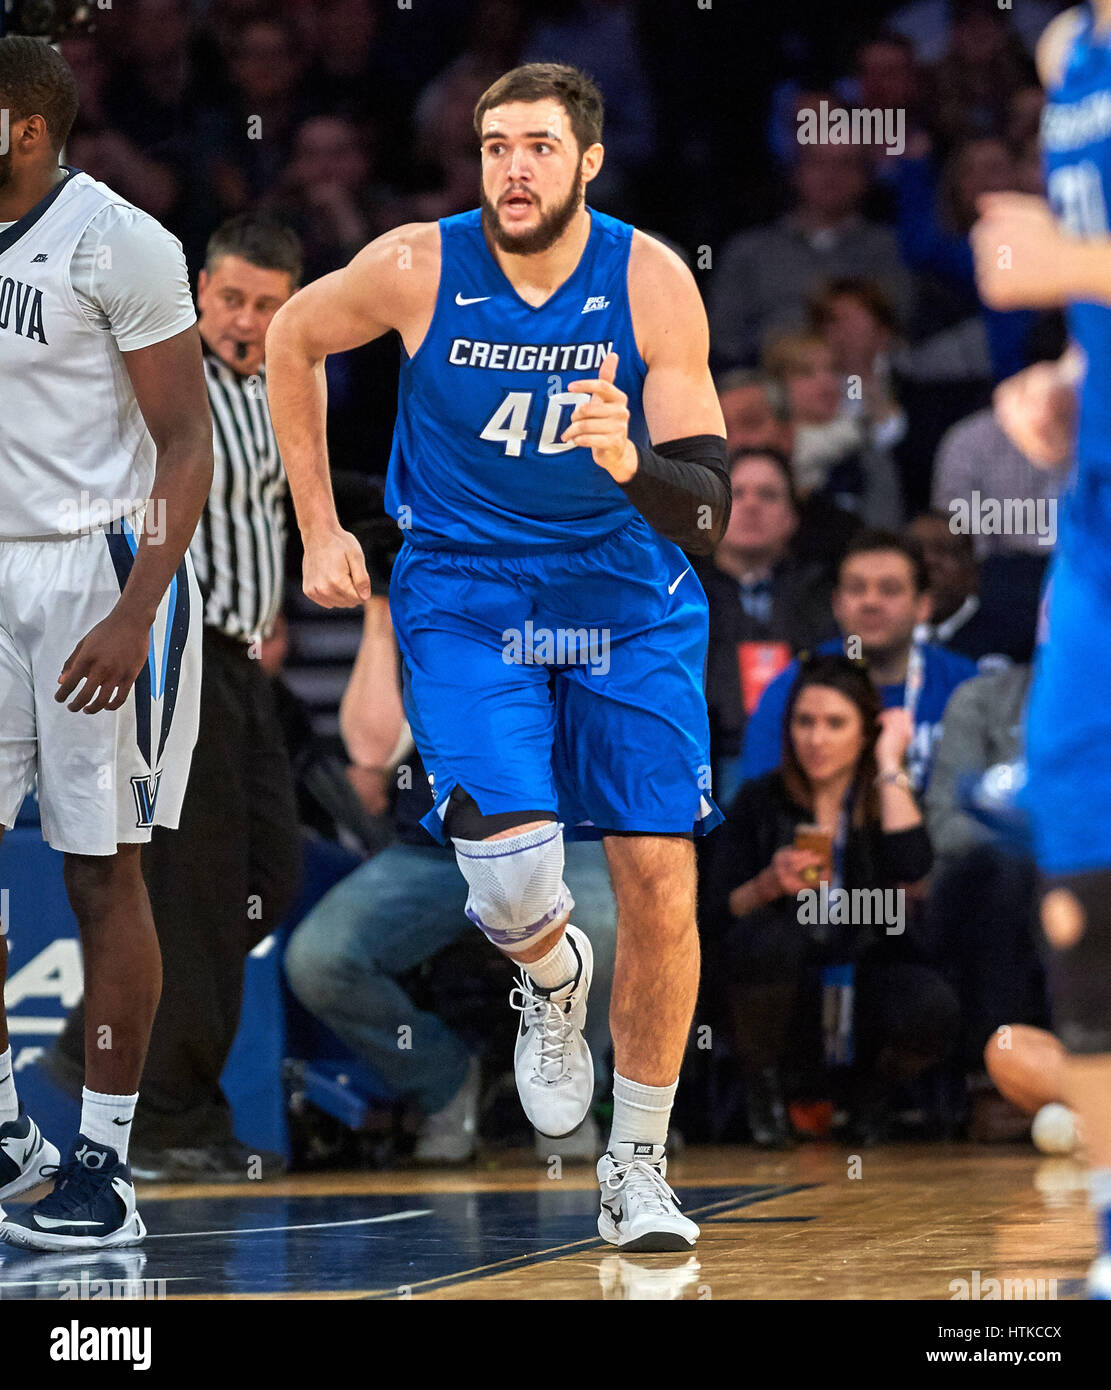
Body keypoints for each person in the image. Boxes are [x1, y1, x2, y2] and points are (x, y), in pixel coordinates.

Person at [266, 63, 730, 1252]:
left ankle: (634, 1164)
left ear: (588, 162)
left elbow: (712, 512)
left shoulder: (651, 280)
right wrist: (319, 523)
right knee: (516, 881)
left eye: (537, 145)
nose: (512, 167)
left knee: (658, 878)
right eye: (493, 145)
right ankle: (550, 978)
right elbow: (289, 335)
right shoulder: (419, 263)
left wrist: (637, 466)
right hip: (470, 596)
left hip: (629, 596)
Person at [0, 38, 212, 1249]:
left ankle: (106, 1165)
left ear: (26, 128)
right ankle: (8, 1133)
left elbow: (187, 443)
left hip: (92, 571)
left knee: (99, 869)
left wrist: (137, 605)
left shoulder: (118, 237)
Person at [50, 216, 304, 1182]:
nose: (245, 320)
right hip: (171, 645)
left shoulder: (279, 389)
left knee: (267, 880)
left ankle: (95, 1038)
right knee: (195, 893)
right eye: (233, 298)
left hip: (246, 666)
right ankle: (165, 1119)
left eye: (268, 306)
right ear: (199, 289)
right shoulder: (156, 373)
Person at [284, 595, 618, 1164]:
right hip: (436, 847)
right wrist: (382, 615)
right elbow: (371, 747)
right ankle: (442, 1077)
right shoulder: (428, 583)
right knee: (319, 961)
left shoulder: (554, 579)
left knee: (606, 927)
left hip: (558, 834)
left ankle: (568, 1084)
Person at [971, 0, 1111, 1300]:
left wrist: (1072, 266)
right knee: (1071, 830)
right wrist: (1065, 377)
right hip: (1095, 511)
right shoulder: (1066, 48)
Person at [702, 655, 956, 1148]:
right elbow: (710, 913)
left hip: (867, 969)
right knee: (767, 943)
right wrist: (767, 886)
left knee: (930, 1003)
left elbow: (911, 864)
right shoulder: (760, 800)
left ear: (865, 731)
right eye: (805, 722)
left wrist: (889, 764)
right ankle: (767, 1099)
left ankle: (871, 1096)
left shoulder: (882, 797)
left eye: (835, 724)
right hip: (780, 980)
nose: (815, 739)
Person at [739, 529, 977, 792]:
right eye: (856, 588)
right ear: (837, 604)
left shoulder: (966, 686)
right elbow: (762, 802)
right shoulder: (793, 686)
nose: (871, 602)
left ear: (923, 605)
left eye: (889, 590)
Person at [700, 448, 836, 805]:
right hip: (701, 765)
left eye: (768, 495)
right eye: (738, 494)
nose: (751, 505)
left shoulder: (823, 592)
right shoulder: (681, 591)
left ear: (792, 517)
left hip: (802, 759)